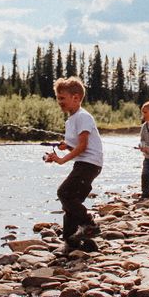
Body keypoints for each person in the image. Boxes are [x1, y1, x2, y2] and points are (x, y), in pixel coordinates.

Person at [43, 76, 104, 253]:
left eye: (62, 98)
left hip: (89, 164)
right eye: (58, 98)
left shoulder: (83, 117)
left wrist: (62, 160)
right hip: (85, 163)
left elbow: (84, 145)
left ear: (76, 98)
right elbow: (77, 145)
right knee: (72, 203)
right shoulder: (71, 120)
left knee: (64, 193)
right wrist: (65, 146)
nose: (59, 102)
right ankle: (73, 242)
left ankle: (89, 224)